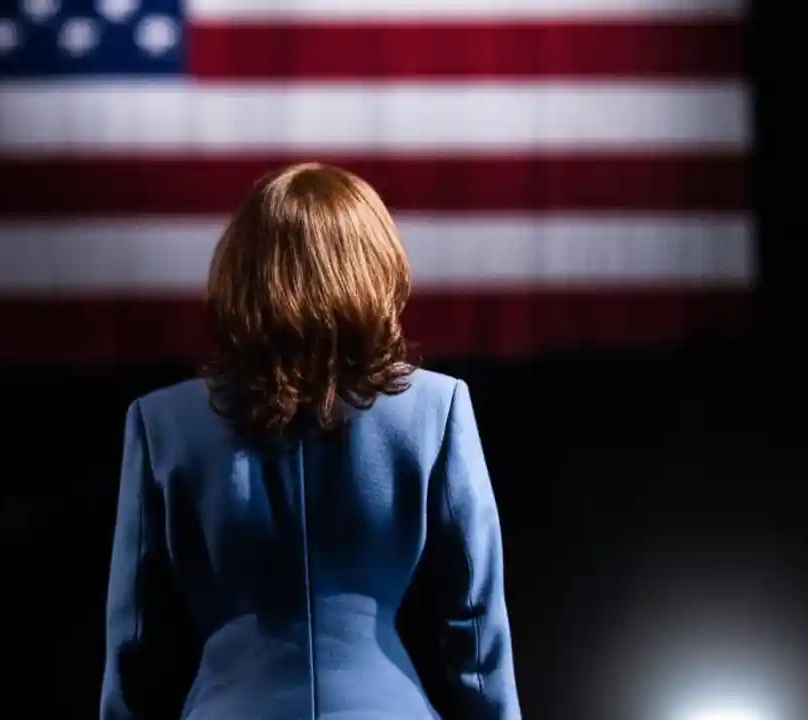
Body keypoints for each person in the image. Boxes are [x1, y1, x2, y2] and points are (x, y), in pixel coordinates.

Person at [98, 162, 521, 719]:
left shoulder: (162, 423)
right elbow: (474, 629)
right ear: (373, 266)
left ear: (242, 270)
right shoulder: (435, 409)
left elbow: (136, 650)